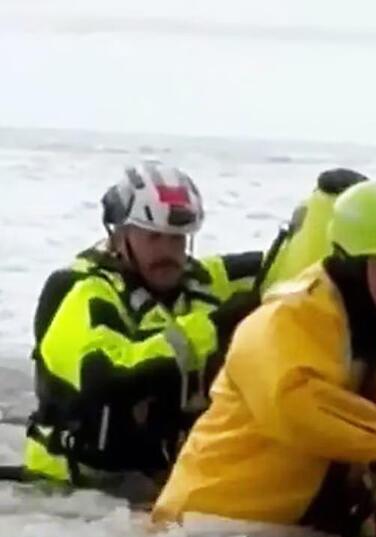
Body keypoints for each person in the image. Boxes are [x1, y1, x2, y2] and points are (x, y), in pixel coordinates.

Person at [152, 179, 376, 535]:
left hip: (315, 528)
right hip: (211, 526)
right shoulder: (284, 321)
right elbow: (302, 411)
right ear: (350, 261)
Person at [24, 161, 262, 500]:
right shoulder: (81, 292)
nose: (168, 252)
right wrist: (213, 328)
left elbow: (280, 265)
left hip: (155, 482)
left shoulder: (201, 281)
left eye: (177, 240)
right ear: (120, 236)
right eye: (154, 238)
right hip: (75, 491)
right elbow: (108, 378)